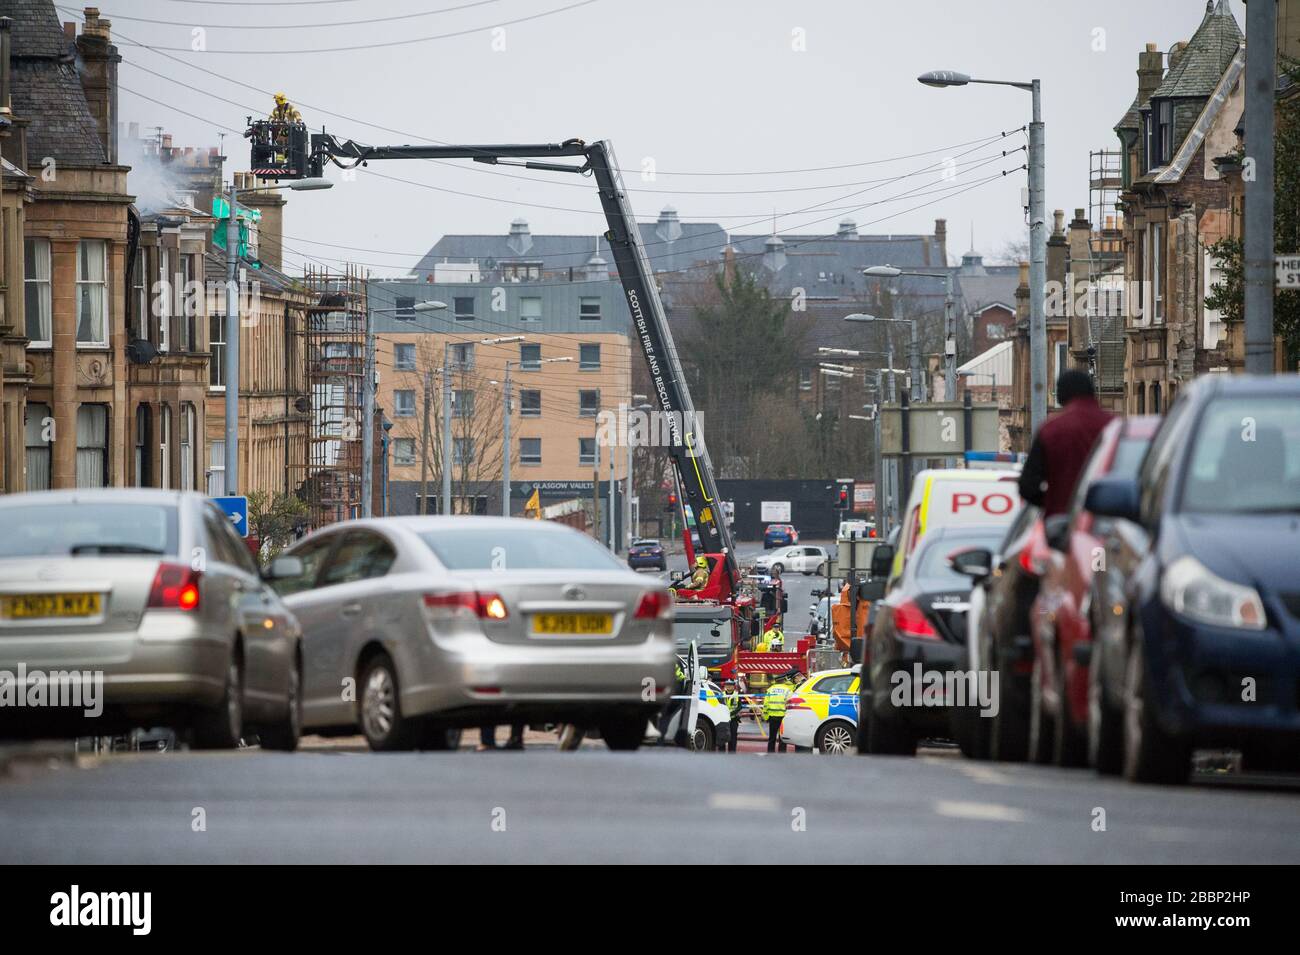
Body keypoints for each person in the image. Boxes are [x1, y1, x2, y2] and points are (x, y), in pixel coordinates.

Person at [1018, 369, 1113, 517]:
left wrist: (1052, 503)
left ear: (1062, 395)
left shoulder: (1050, 429)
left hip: (1062, 519)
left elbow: (1027, 486)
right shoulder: (1114, 426)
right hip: (1106, 520)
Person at [763, 673, 793, 753]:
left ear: (775, 681)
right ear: (783, 681)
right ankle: (782, 753)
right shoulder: (788, 690)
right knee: (782, 738)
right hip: (783, 717)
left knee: (772, 737)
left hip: (772, 717)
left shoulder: (770, 689)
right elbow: (789, 704)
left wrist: (766, 716)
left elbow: (766, 704)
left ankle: (770, 752)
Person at [723, 679, 741, 753]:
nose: (729, 686)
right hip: (723, 719)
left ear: (734, 686)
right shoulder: (722, 694)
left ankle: (732, 752)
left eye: (731, 685)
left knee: (733, 737)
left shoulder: (737, 695)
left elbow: (740, 706)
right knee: (723, 736)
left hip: (733, 719)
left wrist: (732, 713)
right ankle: (722, 752)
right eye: (727, 685)